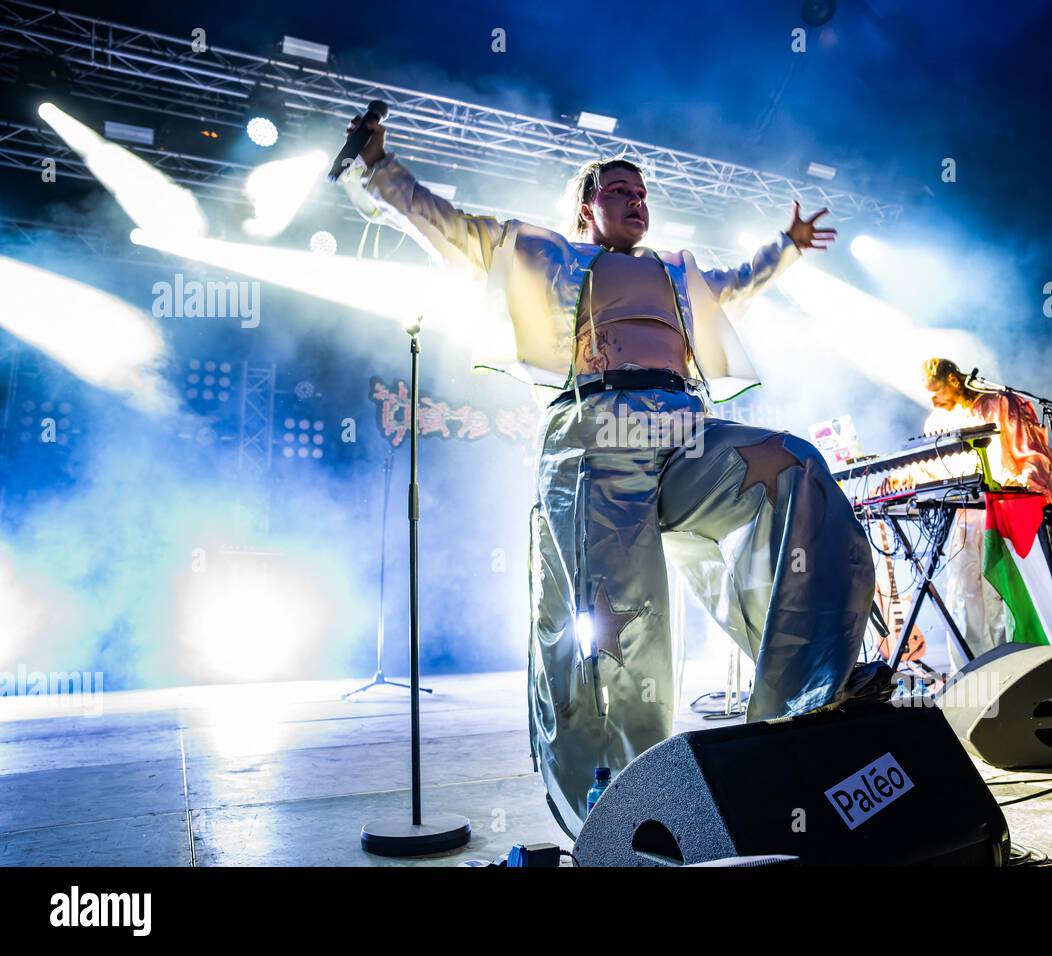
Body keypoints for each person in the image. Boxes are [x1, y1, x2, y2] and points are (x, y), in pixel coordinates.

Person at [339, 115, 876, 837]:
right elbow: (452, 228)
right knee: (624, 624)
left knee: (795, 468)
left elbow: (740, 284)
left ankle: (812, 696)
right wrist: (378, 165)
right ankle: (626, 807)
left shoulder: (677, 272)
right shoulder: (549, 254)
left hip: (682, 432)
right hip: (597, 435)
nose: (636, 201)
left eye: (642, 193)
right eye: (619, 190)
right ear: (586, 207)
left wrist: (788, 247)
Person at [917, 358, 1052, 667]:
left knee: (1004, 599)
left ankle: (1020, 670)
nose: (932, 400)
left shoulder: (1002, 403)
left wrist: (1018, 488)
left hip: (1006, 515)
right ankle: (972, 675)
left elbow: (1034, 458)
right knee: (965, 598)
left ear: (955, 381)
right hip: (966, 519)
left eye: (937, 391)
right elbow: (929, 470)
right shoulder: (936, 422)